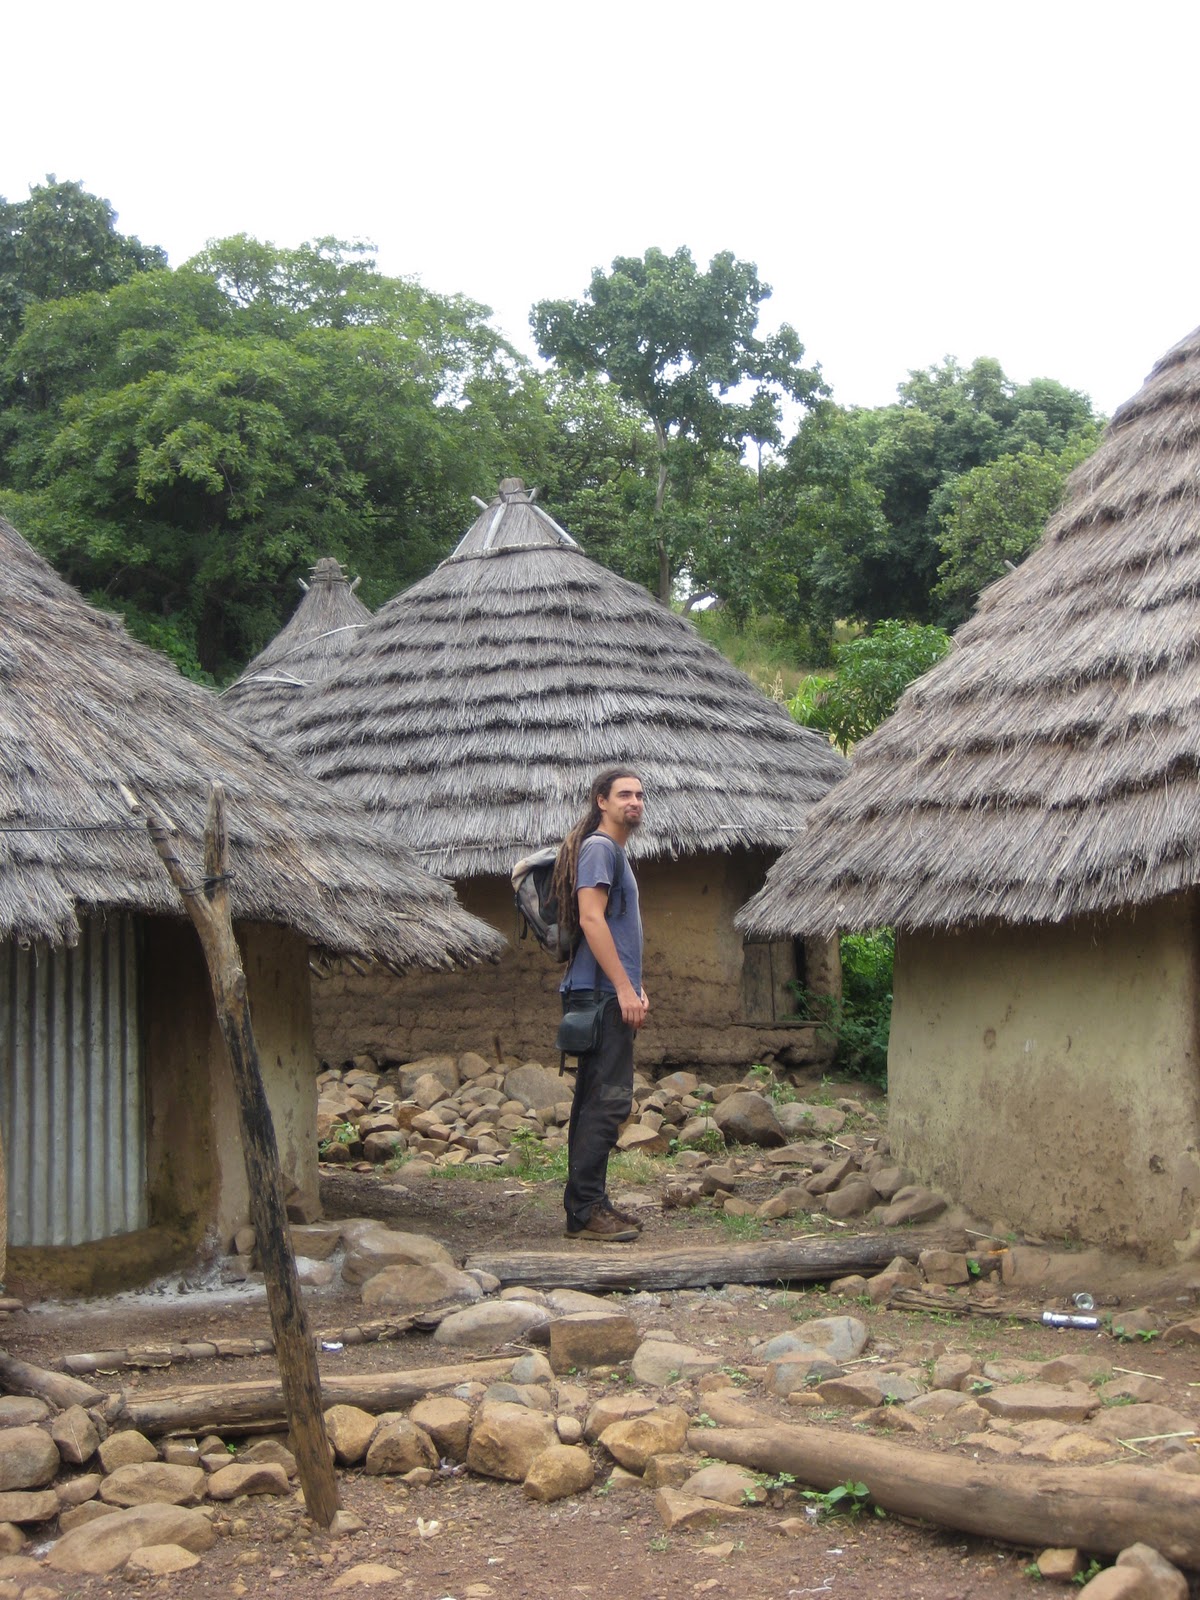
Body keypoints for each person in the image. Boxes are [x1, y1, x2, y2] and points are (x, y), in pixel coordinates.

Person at [552, 768, 649, 1242]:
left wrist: (635, 985)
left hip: (610, 991)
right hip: (601, 995)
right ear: (601, 801)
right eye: (624, 794)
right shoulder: (599, 848)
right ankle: (586, 1210)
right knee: (607, 1101)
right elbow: (591, 919)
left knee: (596, 1099)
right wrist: (624, 989)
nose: (635, 802)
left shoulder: (613, 852)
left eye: (640, 795)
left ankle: (589, 1203)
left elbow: (618, 931)